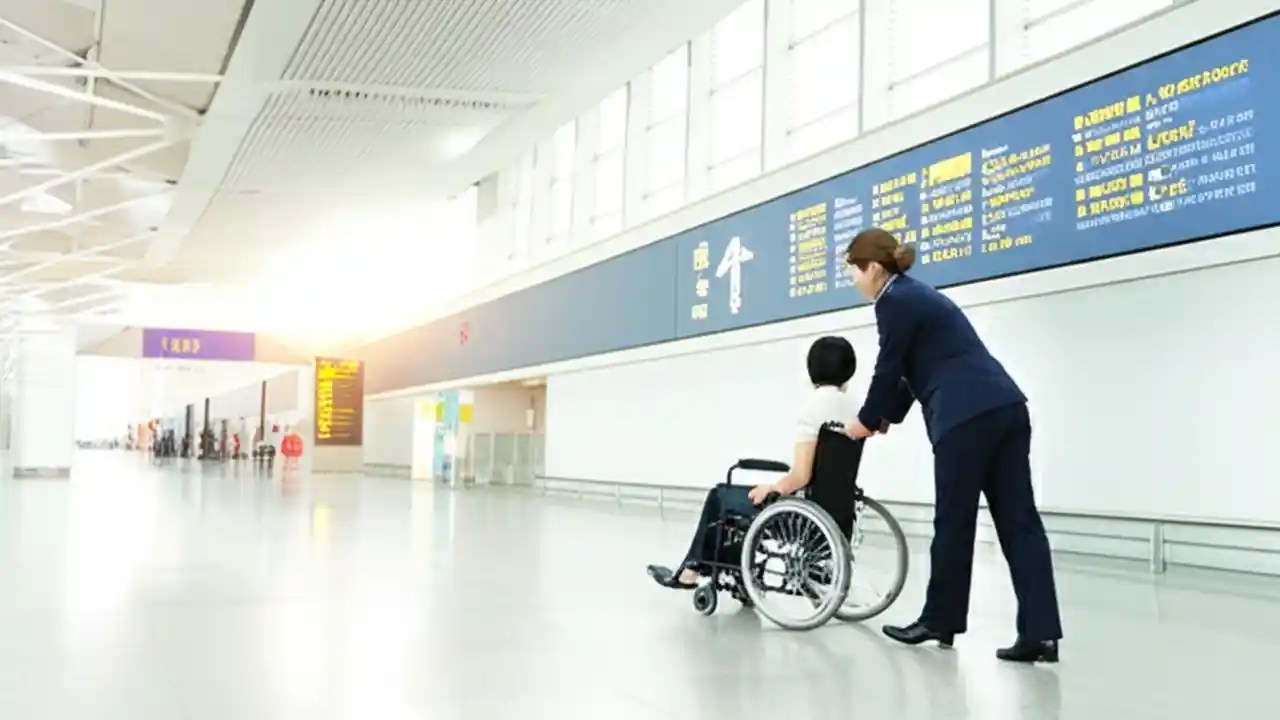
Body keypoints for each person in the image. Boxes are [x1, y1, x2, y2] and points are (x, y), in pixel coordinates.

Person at [844, 227, 1062, 663]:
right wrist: (889, 416)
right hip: (1006, 406)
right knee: (1020, 522)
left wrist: (865, 421)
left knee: (954, 520)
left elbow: (888, 368)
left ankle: (939, 620)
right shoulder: (919, 295)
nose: (853, 280)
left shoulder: (893, 302)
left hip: (965, 418)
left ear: (872, 267)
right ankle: (1041, 633)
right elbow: (914, 369)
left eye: (852, 270)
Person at [647, 336, 860, 589]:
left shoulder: (813, 410)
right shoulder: (855, 410)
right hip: (838, 511)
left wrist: (771, 489)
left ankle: (691, 571)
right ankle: (733, 571)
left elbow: (801, 476)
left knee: (720, 496)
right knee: (737, 500)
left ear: (812, 369)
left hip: (802, 517)